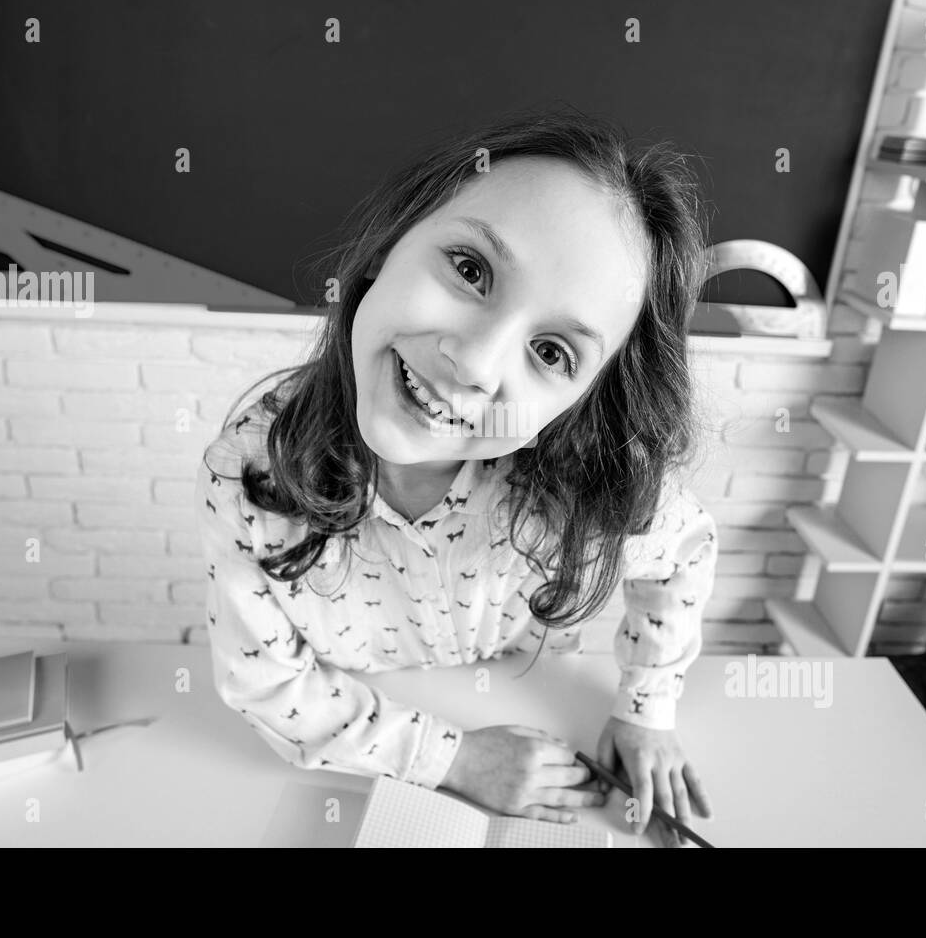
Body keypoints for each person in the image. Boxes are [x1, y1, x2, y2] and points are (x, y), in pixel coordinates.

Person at [197, 107, 719, 845]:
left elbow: (685, 550)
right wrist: (456, 759)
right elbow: (267, 688)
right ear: (387, 248)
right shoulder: (252, 473)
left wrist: (647, 705)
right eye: (470, 270)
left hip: (528, 700)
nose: (474, 365)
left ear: (577, 402)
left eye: (551, 353)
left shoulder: (577, 482)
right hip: (374, 740)